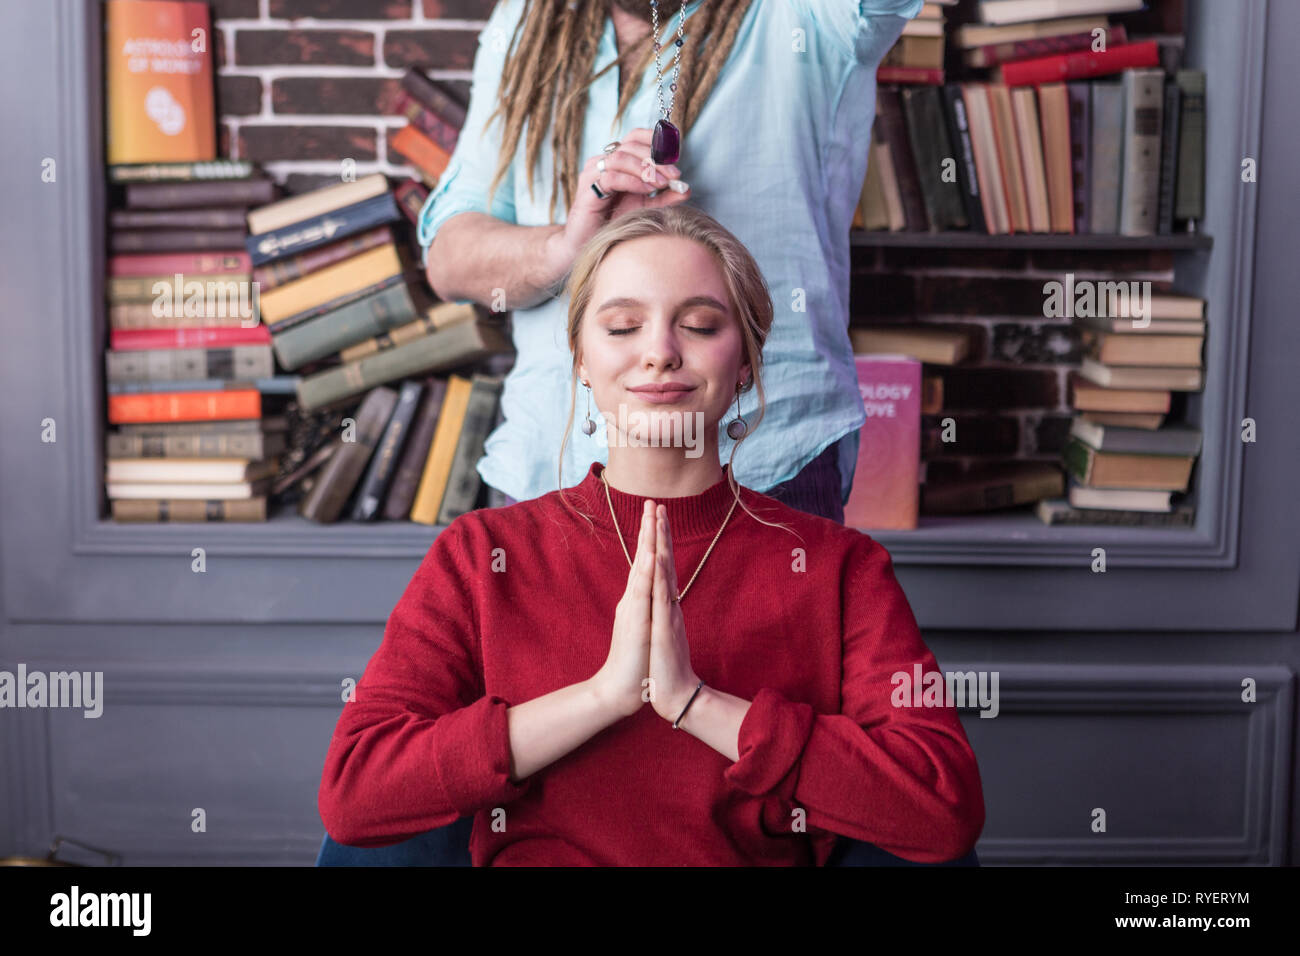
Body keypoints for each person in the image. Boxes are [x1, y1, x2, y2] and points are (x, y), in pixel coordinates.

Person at [318, 206, 984, 865]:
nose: (661, 352)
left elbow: (941, 812)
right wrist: (603, 697)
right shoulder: (480, 555)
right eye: (622, 326)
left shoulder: (841, 568)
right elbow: (356, 793)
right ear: (581, 360)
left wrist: (696, 703)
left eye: (698, 325)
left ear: (746, 364)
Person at [417, 0, 925, 523]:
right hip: (547, 475)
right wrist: (569, 247)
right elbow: (450, 259)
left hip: (764, 468)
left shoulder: (807, 15)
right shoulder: (529, 19)